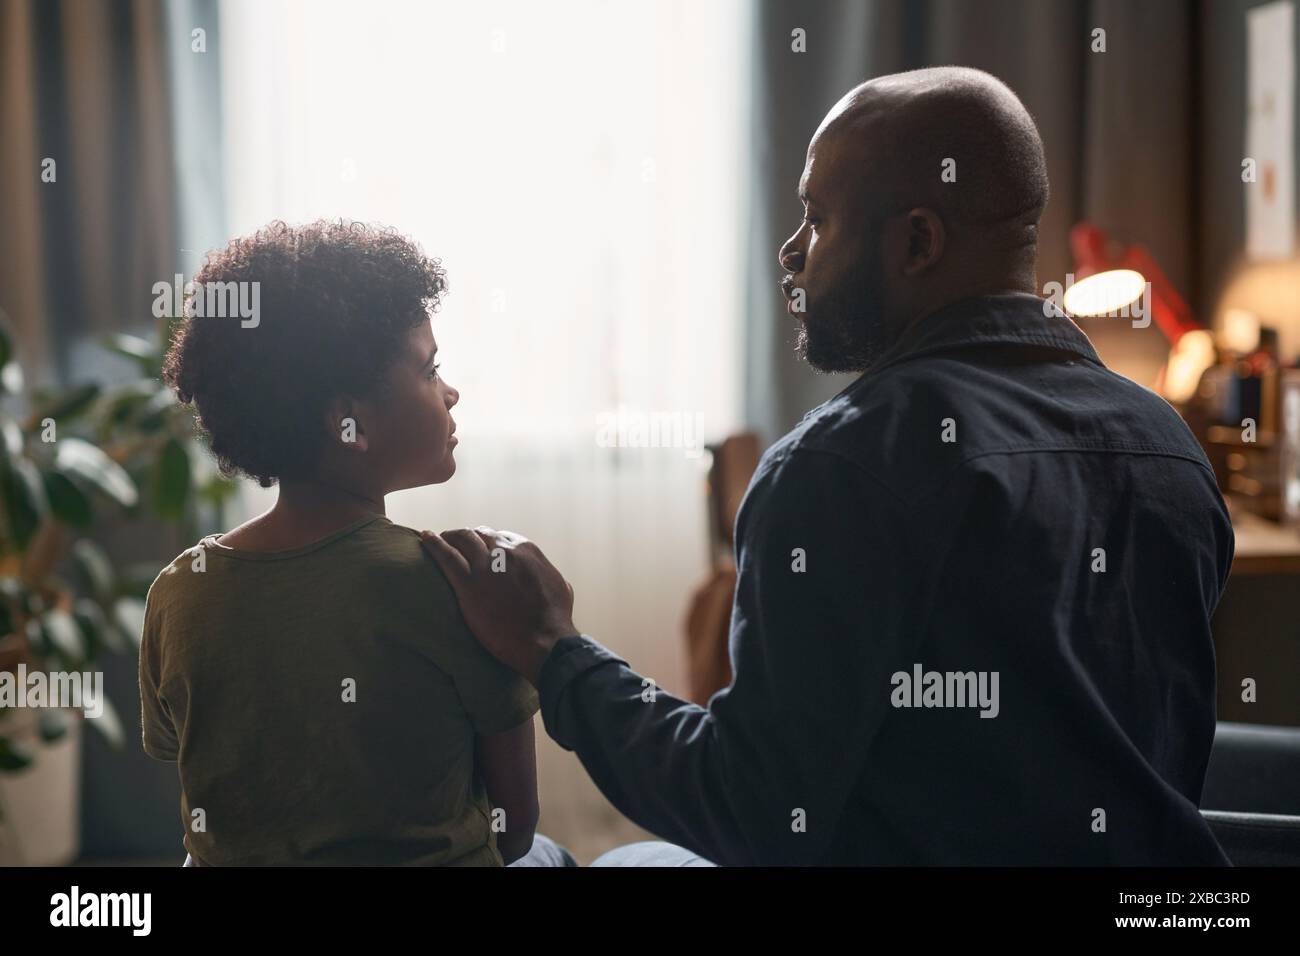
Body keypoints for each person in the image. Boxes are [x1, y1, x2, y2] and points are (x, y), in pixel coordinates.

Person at [420, 67, 1234, 866]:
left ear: (918, 241)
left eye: (816, 218)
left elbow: (752, 814)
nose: (791, 251)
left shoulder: (842, 465)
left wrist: (552, 648)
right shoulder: (1169, 446)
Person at [141, 219, 574, 867]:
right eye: (431, 370)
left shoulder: (180, 589)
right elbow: (511, 830)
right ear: (350, 424)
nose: (451, 391)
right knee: (550, 855)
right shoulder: (457, 585)